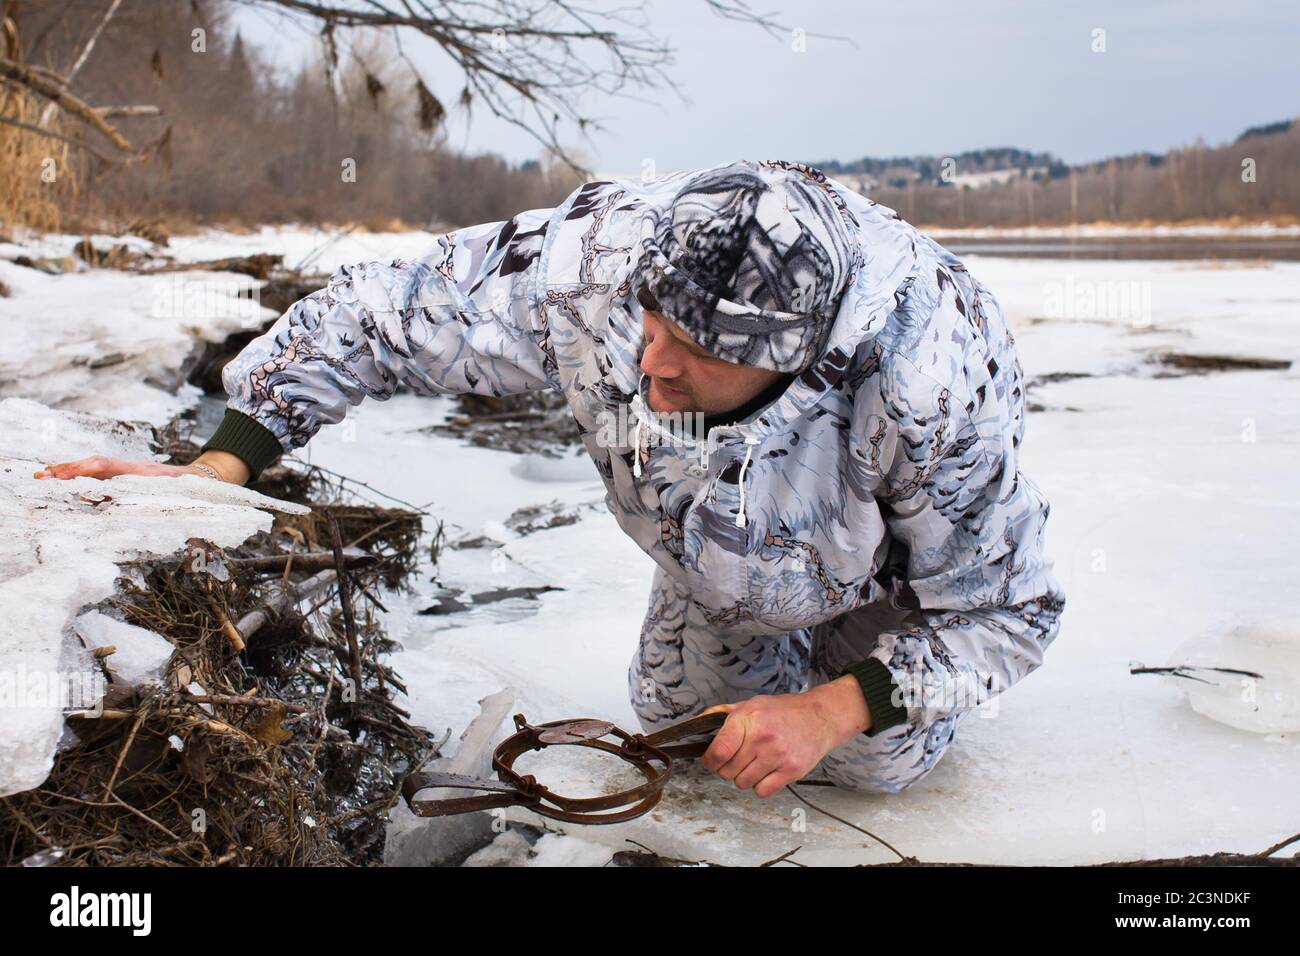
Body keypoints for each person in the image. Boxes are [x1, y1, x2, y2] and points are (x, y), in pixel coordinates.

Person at [36, 159, 1066, 798]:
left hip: (873, 577)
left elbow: (1013, 607)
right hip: (709, 553)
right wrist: (220, 464)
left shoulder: (930, 377)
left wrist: (837, 708)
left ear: (789, 356)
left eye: (698, 354)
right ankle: (741, 620)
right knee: (696, 736)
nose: (652, 363)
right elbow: (383, 310)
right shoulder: (601, 262)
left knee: (870, 767)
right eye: (653, 324)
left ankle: (857, 690)